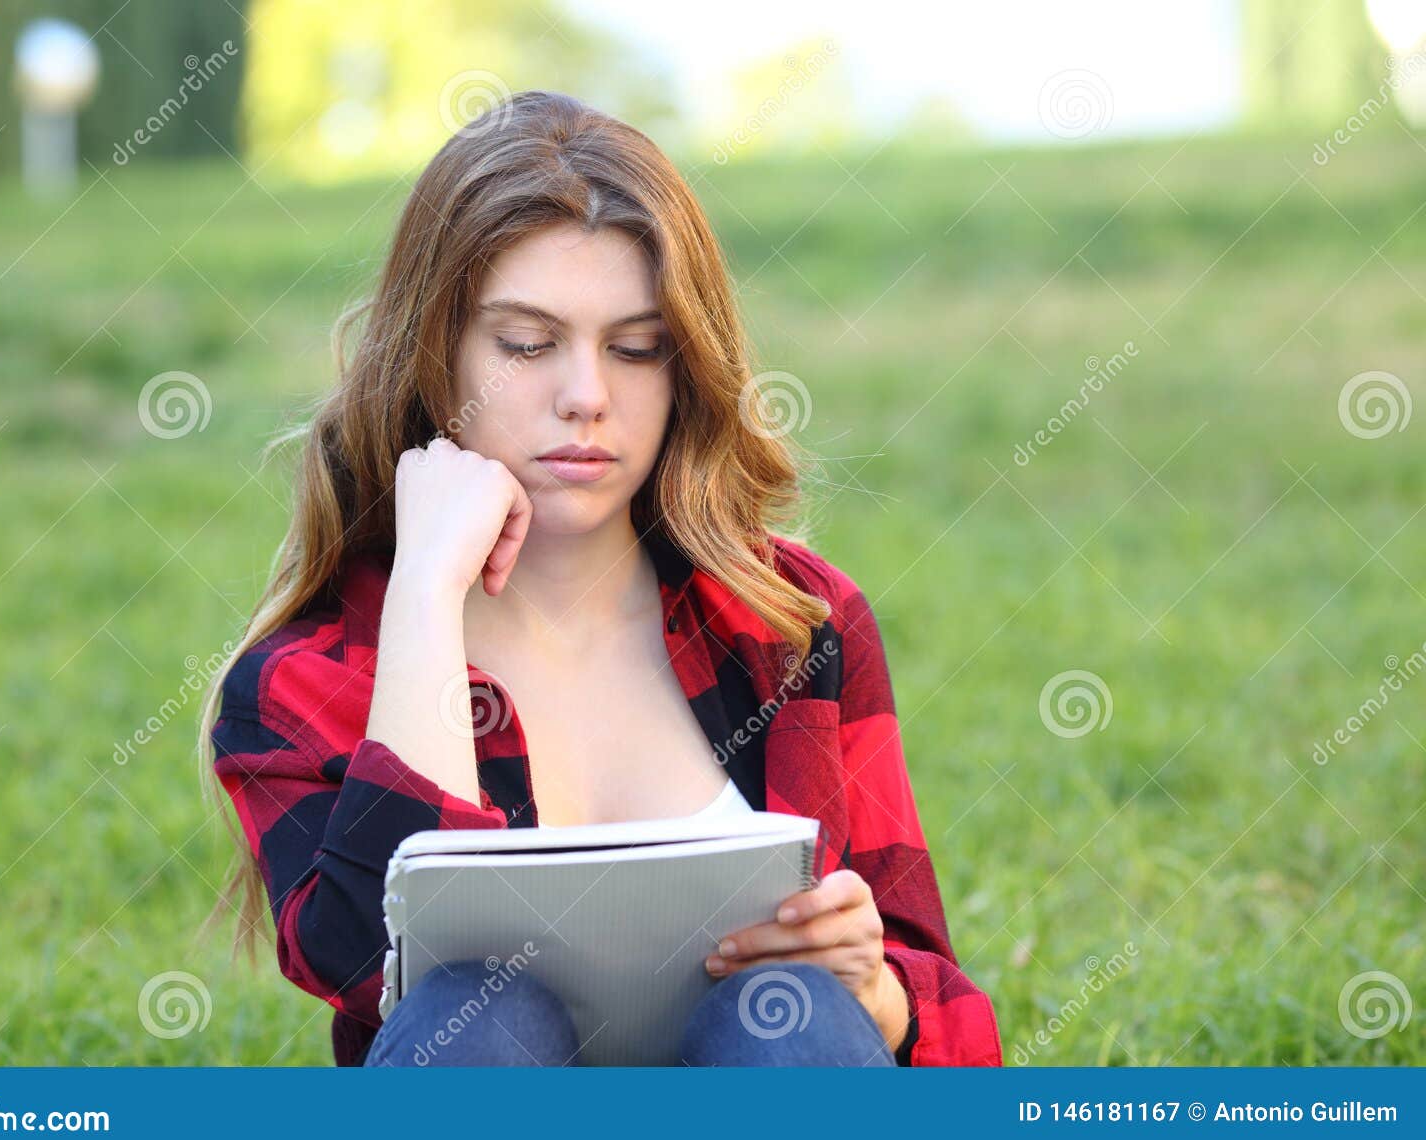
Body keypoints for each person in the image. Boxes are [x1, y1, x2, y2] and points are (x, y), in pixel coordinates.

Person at [200, 89, 1001, 1068]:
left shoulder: (795, 625)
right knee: (478, 1009)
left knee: (787, 1003)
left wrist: (873, 985)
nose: (586, 397)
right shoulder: (303, 681)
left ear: (685, 366)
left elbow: (952, 1028)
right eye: (526, 344)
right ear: (432, 357)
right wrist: (422, 597)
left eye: (635, 347)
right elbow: (371, 968)